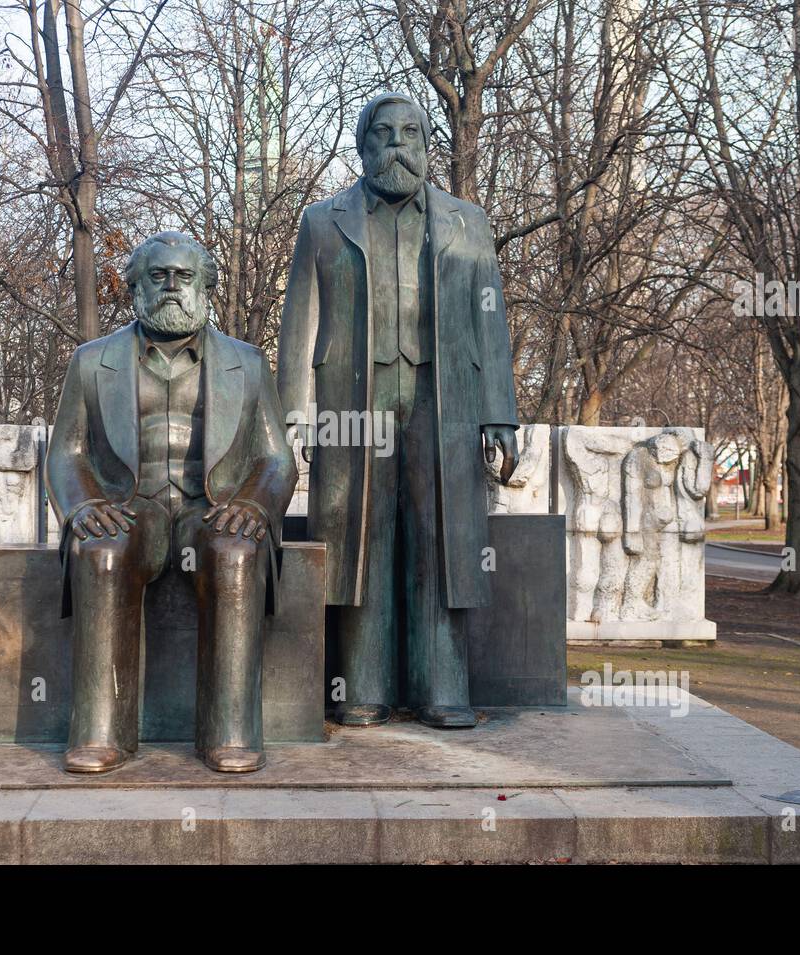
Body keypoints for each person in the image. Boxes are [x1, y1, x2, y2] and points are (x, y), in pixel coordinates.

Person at [276, 92, 520, 729]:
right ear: (362, 146)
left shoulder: (470, 222)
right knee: (361, 534)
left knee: (441, 539)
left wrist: (500, 412)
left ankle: (443, 688)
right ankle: (361, 686)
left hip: (447, 398)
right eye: (382, 134)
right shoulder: (323, 221)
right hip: (350, 397)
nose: (396, 145)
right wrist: (293, 411)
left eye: (410, 134)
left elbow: (491, 326)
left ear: (426, 146)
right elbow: (299, 321)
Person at [46, 231, 296, 775]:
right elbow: (66, 453)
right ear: (135, 285)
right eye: (158, 276)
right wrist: (83, 506)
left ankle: (229, 732)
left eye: (185, 277)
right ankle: (100, 733)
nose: (172, 288)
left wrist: (255, 505)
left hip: (215, 506)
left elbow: (276, 459)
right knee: (102, 550)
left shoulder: (247, 363)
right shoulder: (92, 361)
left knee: (235, 550)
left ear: (204, 286)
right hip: (129, 505)